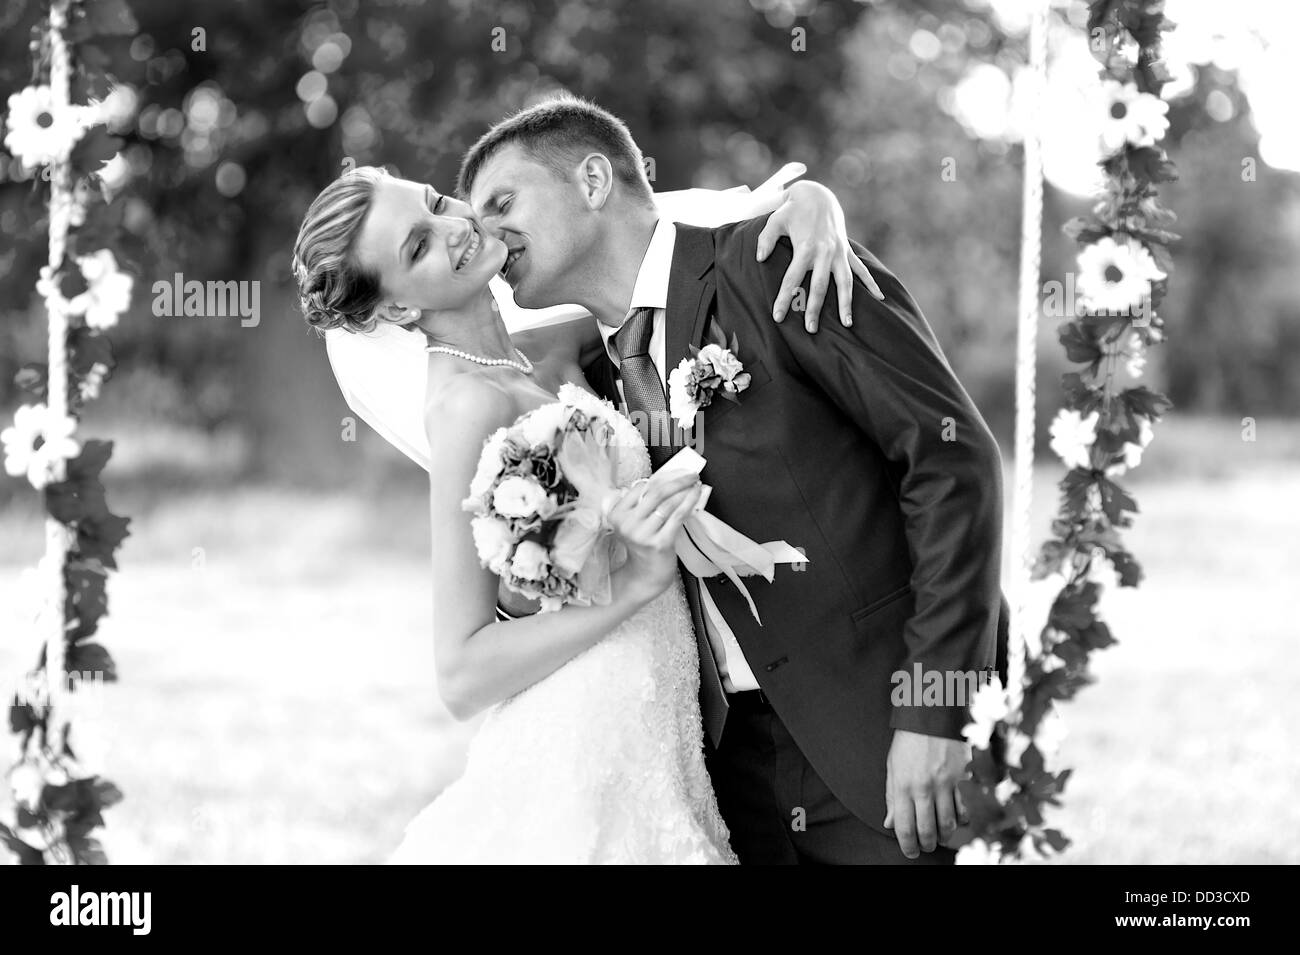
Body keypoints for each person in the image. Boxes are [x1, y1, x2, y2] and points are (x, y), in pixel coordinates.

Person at [459, 96, 1011, 865]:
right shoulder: (584, 398)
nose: (487, 232)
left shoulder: (781, 263)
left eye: (503, 202)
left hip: (883, 733)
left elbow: (954, 464)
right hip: (727, 776)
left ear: (591, 180)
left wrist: (933, 709)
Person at [291, 159, 872, 863]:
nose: (455, 228)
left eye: (438, 203)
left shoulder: (543, 349)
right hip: (589, 726)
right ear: (396, 310)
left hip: (663, 717)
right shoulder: (465, 405)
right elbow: (461, 672)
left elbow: (661, 251)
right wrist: (632, 584)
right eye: (418, 246)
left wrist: (809, 203)